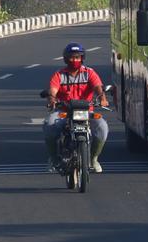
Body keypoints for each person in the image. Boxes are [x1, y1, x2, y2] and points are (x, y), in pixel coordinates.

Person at [44, 42, 110, 173]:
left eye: (78, 57)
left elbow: (98, 86)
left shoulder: (89, 73)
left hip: (86, 111)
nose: (75, 60)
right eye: (72, 57)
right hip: (64, 112)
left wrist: (102, 98)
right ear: (66, 59)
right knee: (49, 124)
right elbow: (52, 90)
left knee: (102, 126)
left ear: (82, 58)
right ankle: (53, 158)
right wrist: (52, 100)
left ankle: (93, 159)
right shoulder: (59, 75)